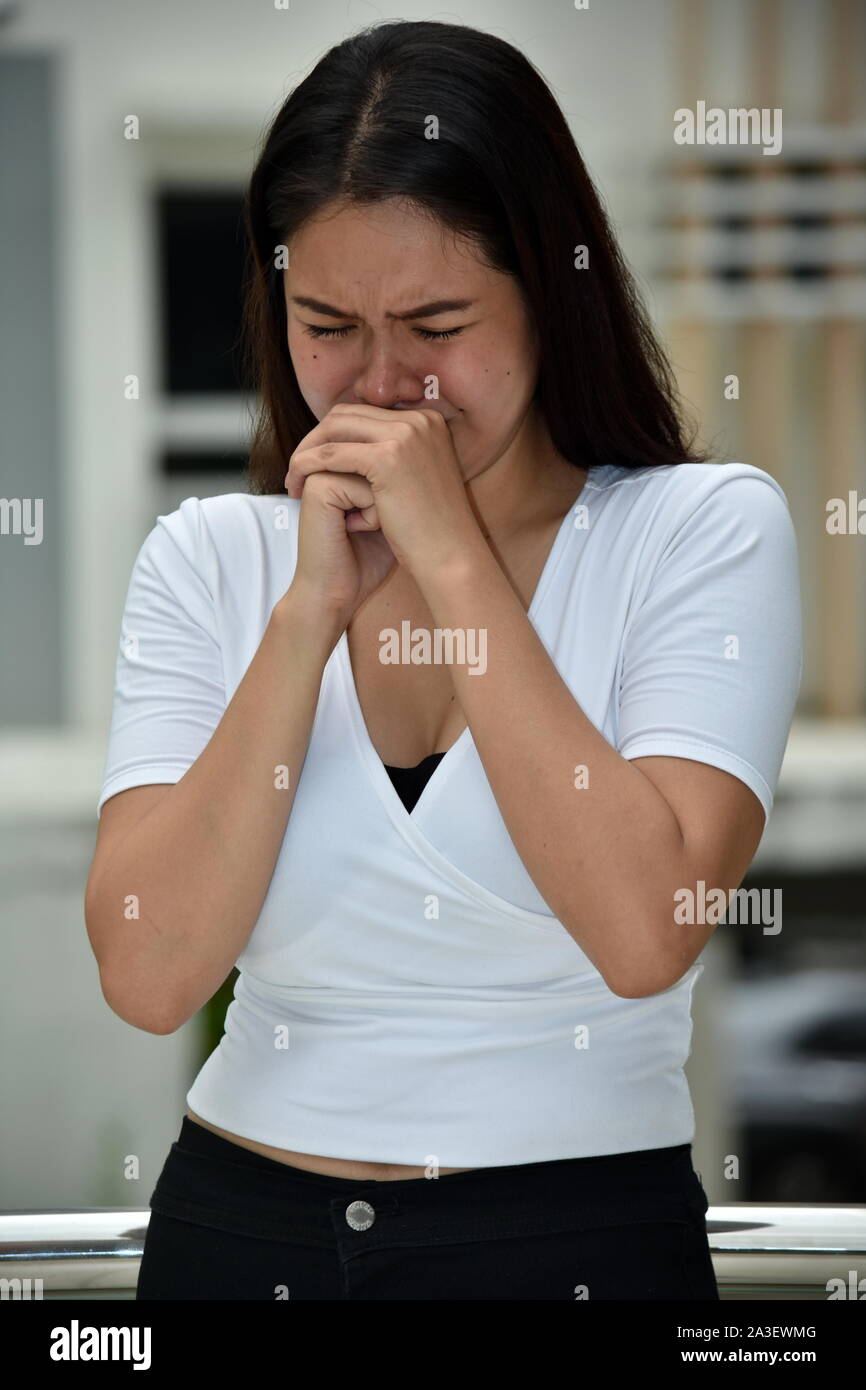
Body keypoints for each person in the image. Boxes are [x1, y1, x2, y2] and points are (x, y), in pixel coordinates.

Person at [84, 19, 802, 1300]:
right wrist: (306, 619)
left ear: (549, 290)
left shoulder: (696, 532)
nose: (379, 384)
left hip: (568, 1242)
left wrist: (456, 565)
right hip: (241, 1235)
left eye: (434, 322)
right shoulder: (210, 559)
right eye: (327, 325)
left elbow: (648, 929)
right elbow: (147, 969)